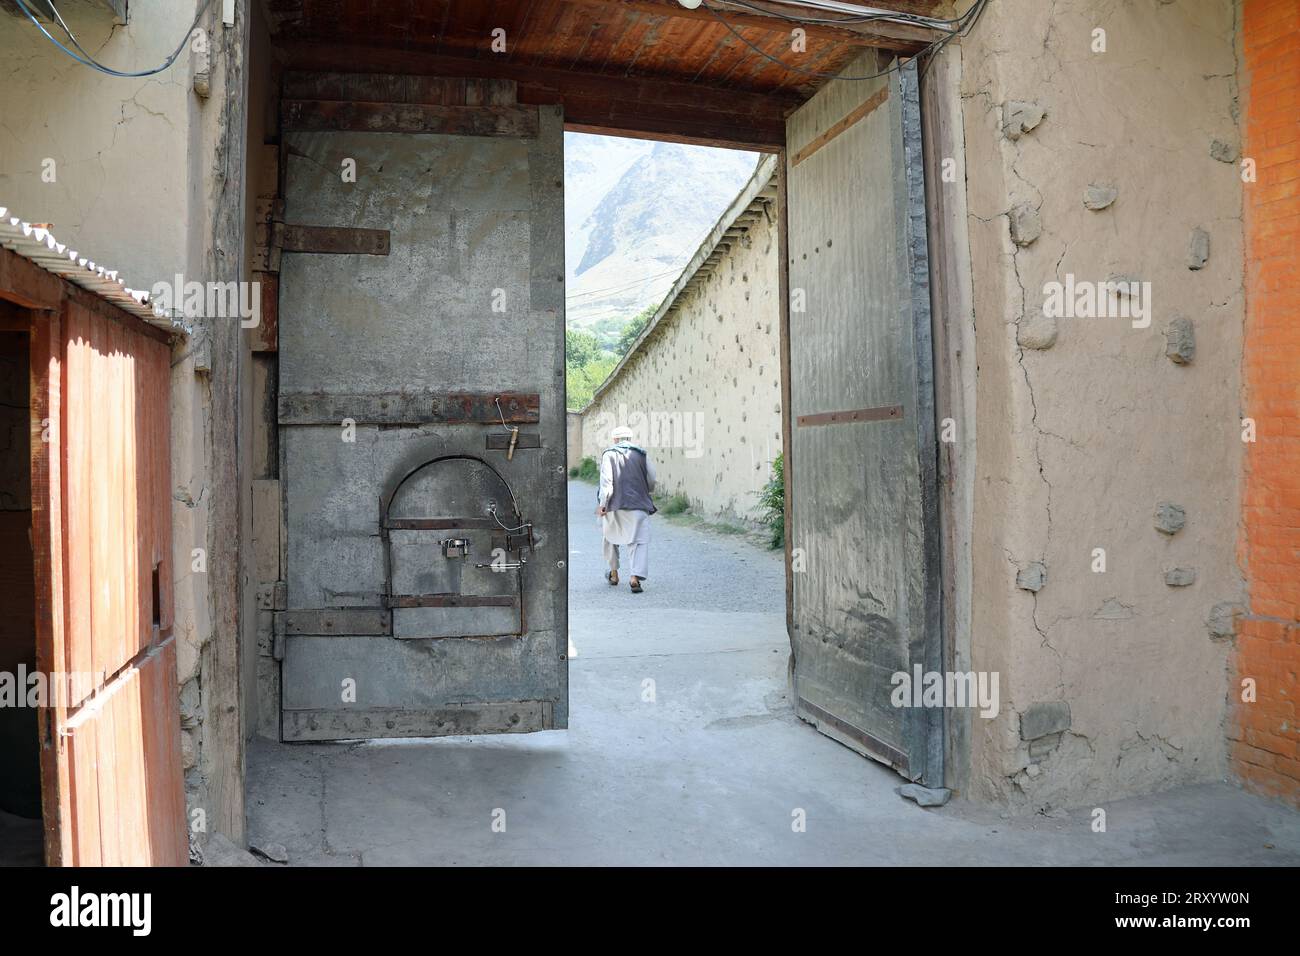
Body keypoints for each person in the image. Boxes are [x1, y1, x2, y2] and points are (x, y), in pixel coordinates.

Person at [597, 425, 656, 593]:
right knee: (638, 540)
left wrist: (603, 504)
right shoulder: (642, 454)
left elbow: (607, 483)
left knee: (609, 536)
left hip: (615, 504)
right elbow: (651, 479)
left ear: (614, 439)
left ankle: (614, 573)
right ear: (629, 439)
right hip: (639, 503)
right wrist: (645, 491)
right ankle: (634, 577)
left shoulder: (609, 454)